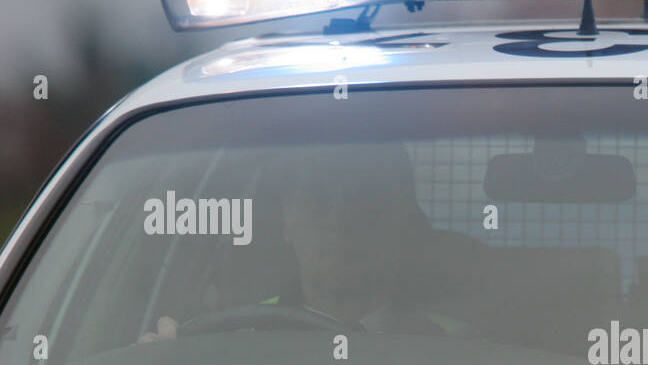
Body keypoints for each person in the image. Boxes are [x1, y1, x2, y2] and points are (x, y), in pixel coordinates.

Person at [139, 142, 482, 341]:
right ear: (288, 222)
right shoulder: (234, 340)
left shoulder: (461, 348)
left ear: (404, 224)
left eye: (364, 204)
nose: (339, 223)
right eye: (318, 201)